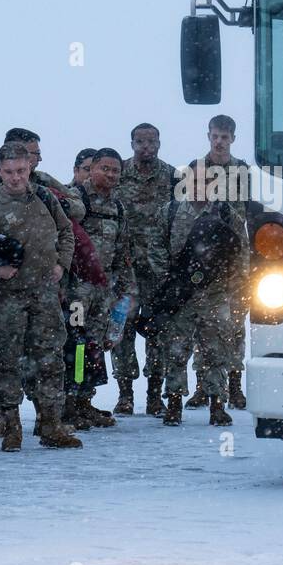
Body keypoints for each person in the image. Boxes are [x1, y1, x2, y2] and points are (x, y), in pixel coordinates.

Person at [0, 127, 84, 434]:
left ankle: (50, 423)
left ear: (29, 167)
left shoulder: (46, 197)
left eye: (21, 170)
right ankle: (9, 423)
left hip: (45, 293)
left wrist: (62, 264)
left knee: (50, 358)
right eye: (8, 172)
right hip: (6, 297)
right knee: (6, 360)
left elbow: (66, 231)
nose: (15, 178)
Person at [156, 166, 247, 427]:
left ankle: (217, 403)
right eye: (195, 180)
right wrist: (170, 281)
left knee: (217, 350)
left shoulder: (227, 214)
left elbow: (240, 253)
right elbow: (156, 247)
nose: (200, 186)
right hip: (180, 295)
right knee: (175, 350)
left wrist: (235, 287)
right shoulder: (171, 212)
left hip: (215, 295)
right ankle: (173, 403)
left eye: (207, 181)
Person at [64, 147, 135, 429]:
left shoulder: (118, 208)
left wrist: (125, 292)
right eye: (104, 168)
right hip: (77, 291)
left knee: (94, 347)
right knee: (76, 346)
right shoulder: (76, 200)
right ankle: (68, 404)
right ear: (91, 168)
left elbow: (123, 253)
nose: (110, 174)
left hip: (102, 293)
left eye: (115, 170)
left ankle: (85, 402)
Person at [185, 114, 250, 410]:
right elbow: (188, 211)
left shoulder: (242, 170)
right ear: (208, 136)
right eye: (215, 136)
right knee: (205, 323)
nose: (220, 141)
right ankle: (203, 387)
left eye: (225, 136)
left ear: (233, 138)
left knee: (235, 323)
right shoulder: (196, 169)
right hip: (205, 256)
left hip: (235, 258)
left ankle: (234, 387)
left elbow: (247, 212)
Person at [112, 123, 175, 416]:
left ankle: (154, 395)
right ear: (132, 143)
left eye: (151, 141)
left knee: (157, 331)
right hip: (125, 269)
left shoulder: (173, 177)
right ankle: (125, 394)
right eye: (140, 141)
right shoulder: (118, 173)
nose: (146, 147)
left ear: (160, 143)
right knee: (121, 329)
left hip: (158, 270)